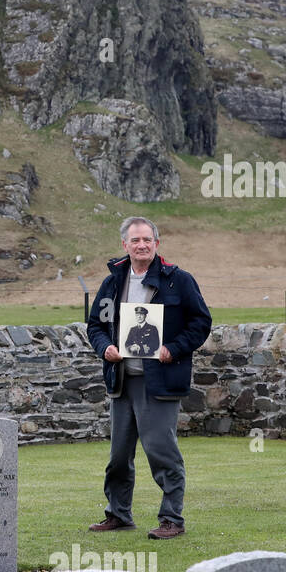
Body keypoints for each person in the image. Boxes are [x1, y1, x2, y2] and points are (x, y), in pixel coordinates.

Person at [85, 217, 211, 539]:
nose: (141, 245)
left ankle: (172, 520)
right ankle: (118, 514)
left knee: (161, 452)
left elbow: (200, 323)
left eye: (147, 240)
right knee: (117, 457)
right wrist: (106, 348)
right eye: (135, 240)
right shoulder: (112, 283)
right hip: (122, 381)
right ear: (124, 245)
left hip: (161, 382)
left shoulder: (178, 281)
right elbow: (96, 326)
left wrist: (173, 348)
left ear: (157, 243)